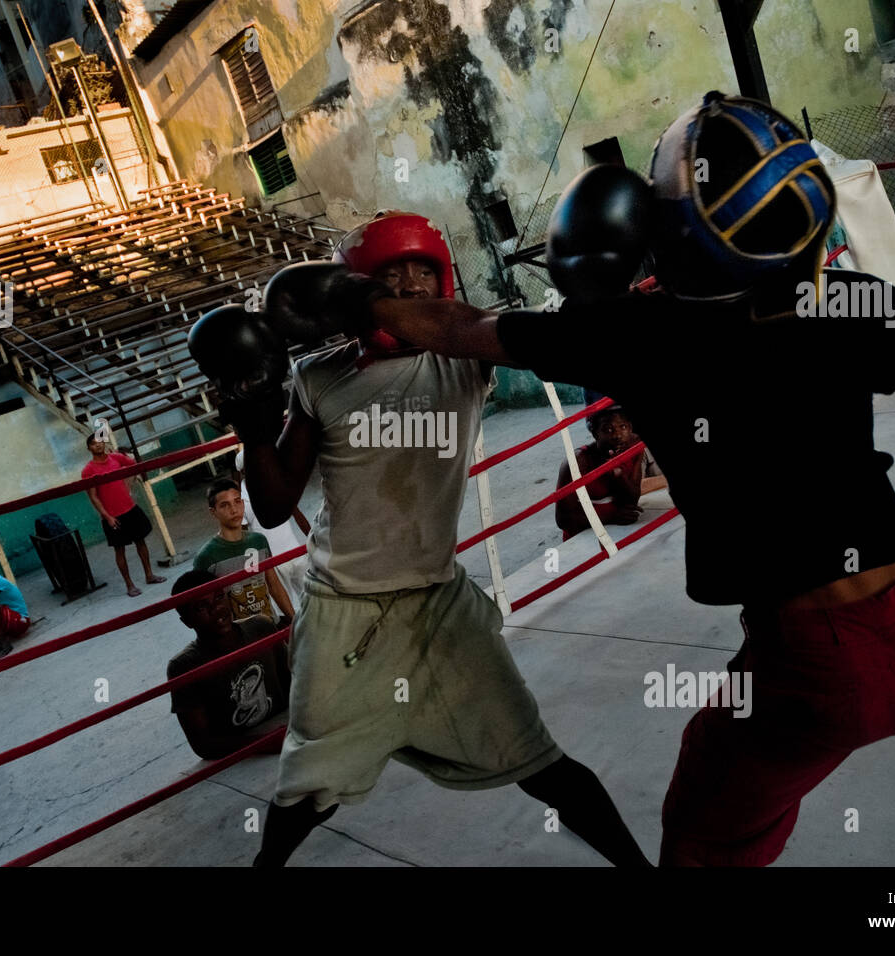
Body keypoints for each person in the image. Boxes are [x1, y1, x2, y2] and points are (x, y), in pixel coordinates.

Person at [284, 93, 895, 867]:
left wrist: (362, 296)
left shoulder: (629, 334)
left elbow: (455, 327)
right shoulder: (844, 299)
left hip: (806, 665)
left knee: (704, 846)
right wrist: (869, 342)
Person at [192, 211, 650, 868]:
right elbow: (272, 501)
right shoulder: (321, 377)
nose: (408, 288)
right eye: (390, 276)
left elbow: (478, 330)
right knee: (308, 789)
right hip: (343, 611)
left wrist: (365, 299)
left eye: (421, 273)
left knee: (538, 760)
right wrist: (253, 420)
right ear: (353, 289)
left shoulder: (462, 359)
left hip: (439, 605)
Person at [166, 570, 290, 760]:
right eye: (201, 607)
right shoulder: (184, 666)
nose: (217, 609)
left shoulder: (260, 627)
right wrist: (266, 743)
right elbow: (203, 745)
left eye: (219, 597)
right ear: (187, 621)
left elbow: (294, 686)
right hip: (248, 756)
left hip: (287, 731)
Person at [193, 478, 296, 626]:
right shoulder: (207, 556)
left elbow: (274, 586)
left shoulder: (259, 541)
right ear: (213, 512)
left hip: (269, 624)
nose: (234, 510)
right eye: (224, 505)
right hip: (238, 635)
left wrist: (294, 620)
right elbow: (202, 606)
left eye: (237, 501)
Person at [556, 404, 666, 541]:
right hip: (584, 534)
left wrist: (618, 473)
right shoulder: (578, 461)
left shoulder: (634, 446)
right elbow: (563, 519)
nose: (617, 435)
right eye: (608, 430)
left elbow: (632, 500)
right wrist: (610, 517)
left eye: (623, 427)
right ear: (595, 433)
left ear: (630, 428)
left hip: (619, 528)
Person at [81, 433, 167, 597]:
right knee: (119, 550)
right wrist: (107, 517)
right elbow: (93, 496)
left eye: (99, 442)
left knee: (141, 542)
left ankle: (149, 575)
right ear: (89, 448)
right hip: (112, 516)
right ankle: (130, 585)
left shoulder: (115, 458)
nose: (97, 445)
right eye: (93, 444)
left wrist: (129, 484)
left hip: (130, 509)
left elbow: (133, 465)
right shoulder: (88, 470)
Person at [234, 446, 310, 611]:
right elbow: (244, 537)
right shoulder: (241, 501)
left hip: (295, 552)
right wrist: (253, 569)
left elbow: (296, 512)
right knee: (286, 608)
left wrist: (312, 538)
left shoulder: (275, 486)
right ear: (243, 471)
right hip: (273, 563)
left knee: (313, 599)